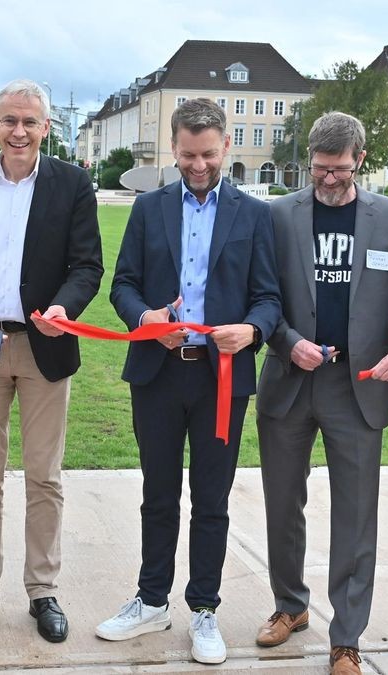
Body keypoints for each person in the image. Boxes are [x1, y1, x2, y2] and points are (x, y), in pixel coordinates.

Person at [100, 97, 280, 664]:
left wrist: (250, 330)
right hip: (157, 374)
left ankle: (204, 609)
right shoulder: (149, 208)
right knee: (158, 493)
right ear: (173, 148)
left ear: (225, 146)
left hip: (220, 379)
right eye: (186, 155)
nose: (197, 165)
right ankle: (151, 600)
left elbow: (269, 298)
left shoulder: (254, 216)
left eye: (207, 155)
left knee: (211, 499)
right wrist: (145, 320)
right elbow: (122, 285)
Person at [253, 112, 388, 675]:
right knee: (283, 503)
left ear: (361, 160)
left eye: (340, 170)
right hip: (289, 378)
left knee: (356, 515)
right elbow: (262, 295)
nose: (329, 180)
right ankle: (290, 607)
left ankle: (346, 637)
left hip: (359, 384)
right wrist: (286, 342)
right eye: (320, 169)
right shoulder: (277, 215)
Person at [0, 79, 103, 643]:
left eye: (30, 121)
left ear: (46, 127)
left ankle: (43, 589)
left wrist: (64, 305)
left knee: (43, 476)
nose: (19, 131)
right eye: (9, 120)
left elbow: (87, 266)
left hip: (44, 349)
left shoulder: (73, 184)